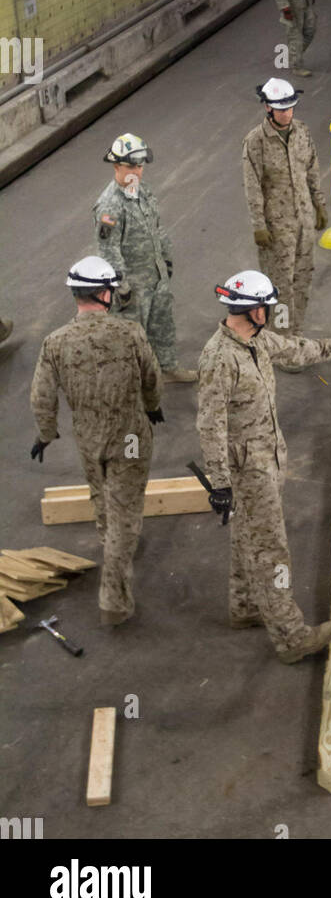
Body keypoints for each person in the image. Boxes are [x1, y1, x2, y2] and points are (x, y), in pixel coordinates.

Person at [196, 270, 331, 662]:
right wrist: (219, 484)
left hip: (267, 458)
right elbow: (209, 424)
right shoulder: (220, 358)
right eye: (267, 307)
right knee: (271, 550)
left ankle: (245, 606)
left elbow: (295, 350)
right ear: (251, 309)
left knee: (246, 536)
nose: (271, 313)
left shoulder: (255, 340)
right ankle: (291, 637)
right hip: (247, 470)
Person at [30, 257, 163, 625]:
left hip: (89, 438)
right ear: (105, 292)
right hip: (131, 438)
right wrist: (152, 407)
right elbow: (152, 377)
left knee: (102, 496)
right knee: (127, 510)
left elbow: (41, 396)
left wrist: (46, 434)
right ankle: (114, 598)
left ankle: (113, 544)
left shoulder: (55, 342)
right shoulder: (130, 332)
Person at [92, 133, 197, 382]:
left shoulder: (142, 191)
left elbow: (156, 227)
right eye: (130, 166)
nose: (137, 172)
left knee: (162, 324)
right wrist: (122, 286)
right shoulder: (109, 205)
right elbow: (108, 250)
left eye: (140, 166)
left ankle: (167, 367)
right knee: (131, 336)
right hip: (133, 285)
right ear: (116, 166)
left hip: (155, 275)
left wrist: (166, 258)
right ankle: (133, 383)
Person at [242, 78, 328, 340]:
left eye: (291, 108)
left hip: (303, 220)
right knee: (280, 286)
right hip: (277, 228)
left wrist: (319, 204)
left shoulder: (301, 131)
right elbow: (252, 185)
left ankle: (296, 332)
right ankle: (280, 338)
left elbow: (312, 168)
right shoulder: (256, 141)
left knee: (302, 280)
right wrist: (259, 225)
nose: (288, 114)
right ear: (268, 108)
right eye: (282, 109)